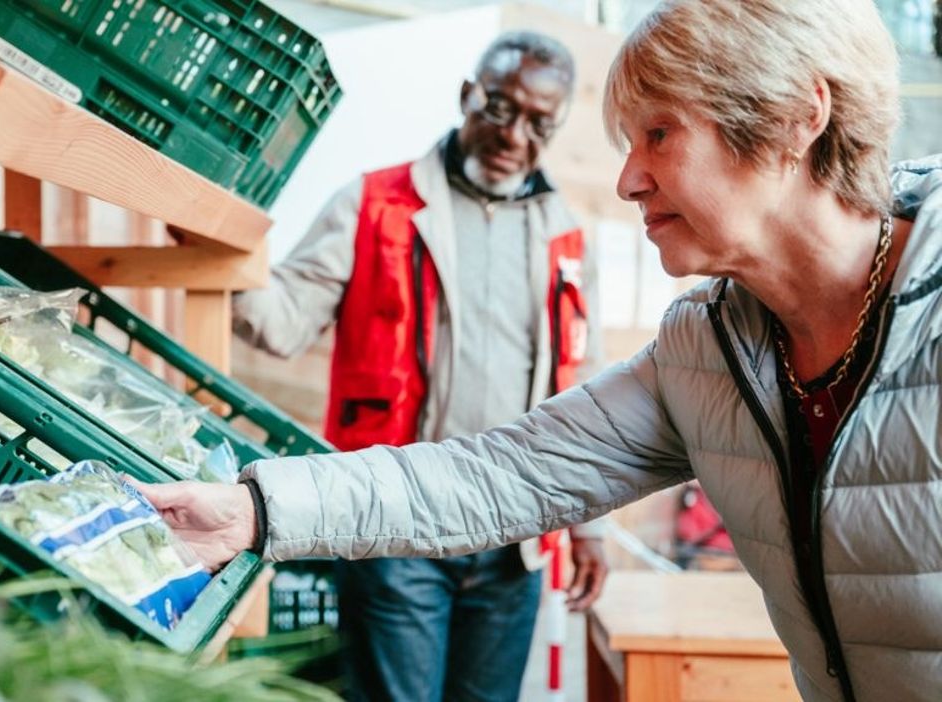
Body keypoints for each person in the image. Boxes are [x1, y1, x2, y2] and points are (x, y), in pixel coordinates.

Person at [137, 1, 942, 700]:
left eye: (659, 133)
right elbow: (508, 470)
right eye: (629, 140)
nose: (627, 179)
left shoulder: (562, 231)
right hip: (404, 547)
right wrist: (256, 509)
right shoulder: (704, 351)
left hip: (508, 567)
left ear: (796, 120)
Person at [226, 31, 609, 702]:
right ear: (468, 95)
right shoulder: (374, 203)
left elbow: (588, 385)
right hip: (396, 525)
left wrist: (589, 528)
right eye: (498, 107)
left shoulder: (565, 232)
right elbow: (282, 320)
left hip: (513, 535)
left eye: (538, 123)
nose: (513, 135)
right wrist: (217, 239)